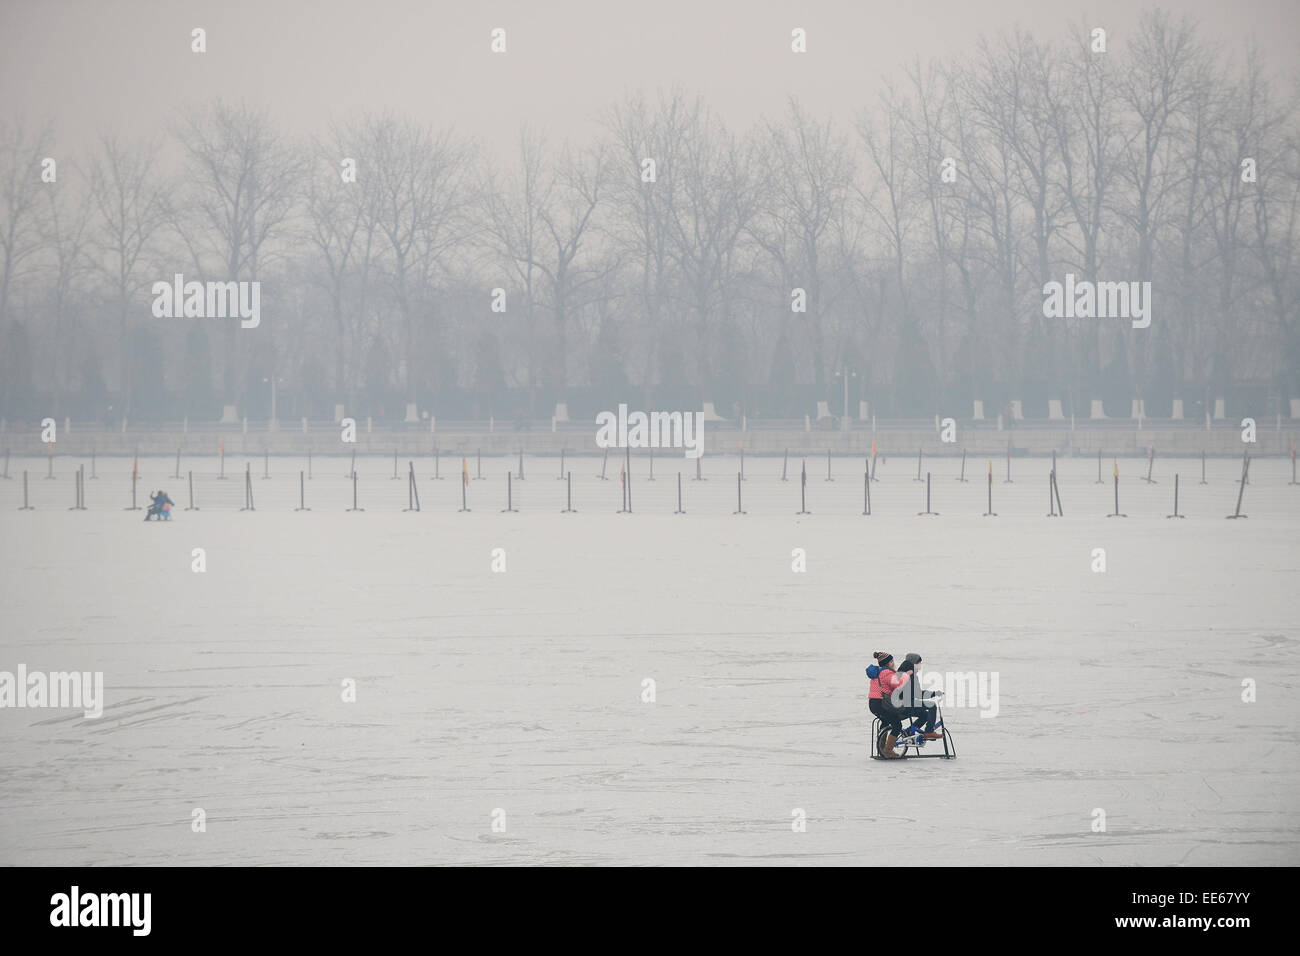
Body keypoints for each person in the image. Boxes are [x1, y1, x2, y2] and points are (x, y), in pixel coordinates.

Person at [867, 652, 904, 758]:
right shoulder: (887, 673)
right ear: (887, 663)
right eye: (891, 661)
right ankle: (887, 750)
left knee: (886, 721)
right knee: (897, 725)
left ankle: (881, 748)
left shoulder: (877, 672)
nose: (893, 663)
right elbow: (897, 685)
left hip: (873, 703)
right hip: (882, 703)